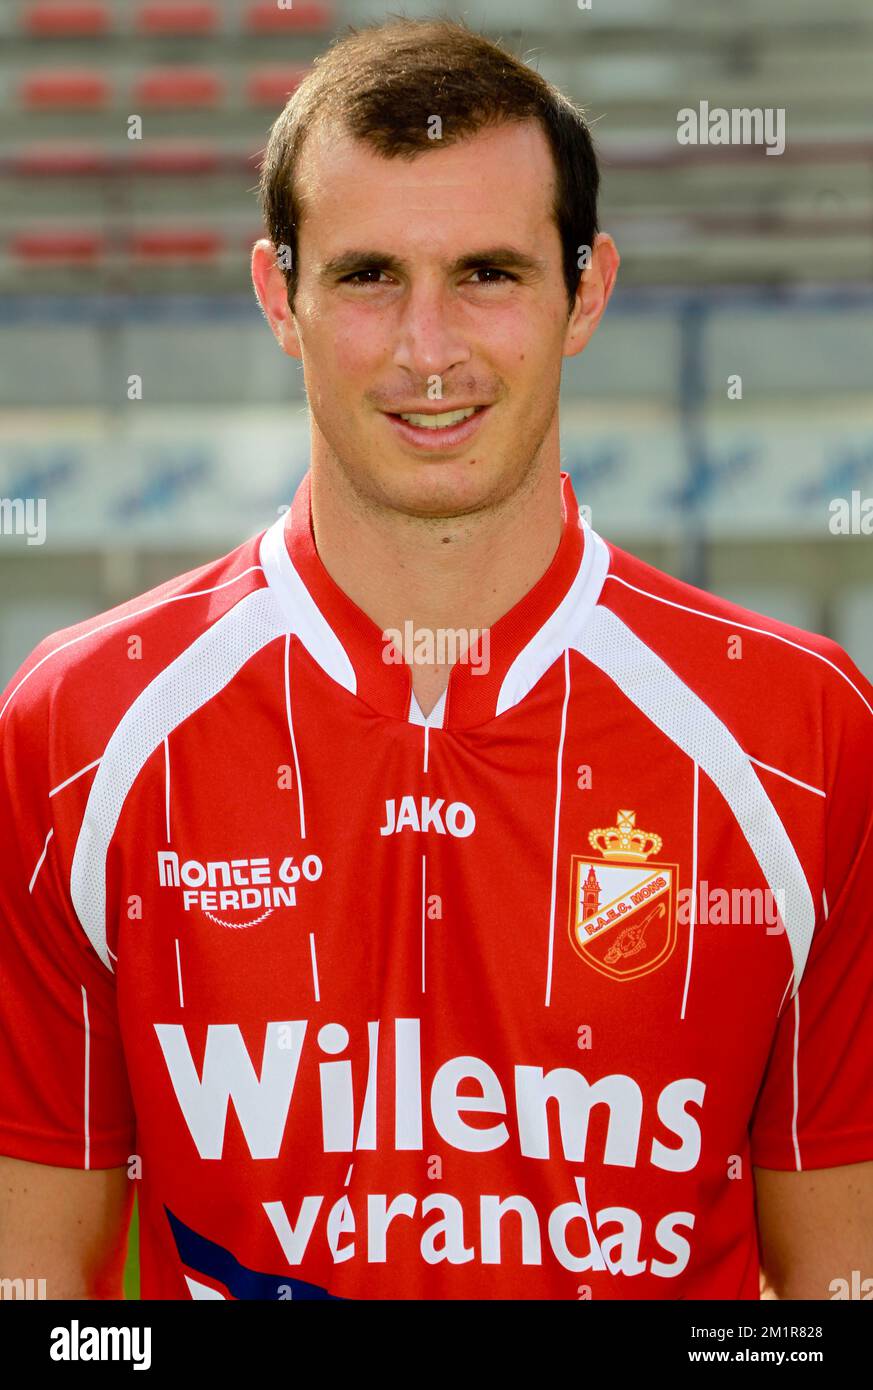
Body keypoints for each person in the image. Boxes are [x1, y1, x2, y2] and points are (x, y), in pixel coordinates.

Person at [1, 16, 871, 1301]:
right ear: (276, 294)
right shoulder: (78, 729)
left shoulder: (799, 735)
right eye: (365, 276)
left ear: (588, 291)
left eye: (488, 273)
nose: (429, 350)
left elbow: (836, 1291)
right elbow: (42, 1302)